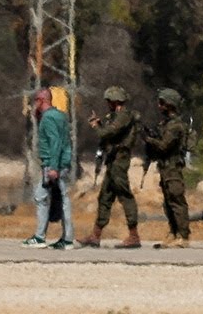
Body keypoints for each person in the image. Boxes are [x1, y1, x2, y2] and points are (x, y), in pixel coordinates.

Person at [78, 86, 141, 248]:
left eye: (109, 101)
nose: (107, 104)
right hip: (112, 161)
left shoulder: (124, 116)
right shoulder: (115, 116)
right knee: (105, 197)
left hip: (120, 161)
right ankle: (95, 235)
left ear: (115, 101)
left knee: (125, 196)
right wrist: (100, 123)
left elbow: (106, 133)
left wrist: (96, 126)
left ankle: (134, 235)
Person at [22, 88, 74, 249]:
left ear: (41, 100)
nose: (34, 104)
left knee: (43, 197)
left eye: (36, 101)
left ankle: (41, 237)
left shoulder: (48, 118)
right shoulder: (60, 116)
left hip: (53, 164)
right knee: (56, 198)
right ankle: (65, 238)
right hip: (61, 162)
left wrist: (53, 167)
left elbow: (54, 142)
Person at [143, 88, 190, 249]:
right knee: (168, 202)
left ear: (170, 105)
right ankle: (173, 232)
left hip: (173, 167)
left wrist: (149, 140)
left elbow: (164, 145)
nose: (159, 106)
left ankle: (183, 235)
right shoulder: (166, 124)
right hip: (165, 167)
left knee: (177, 200)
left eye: (162, 103)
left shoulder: (175, 125)